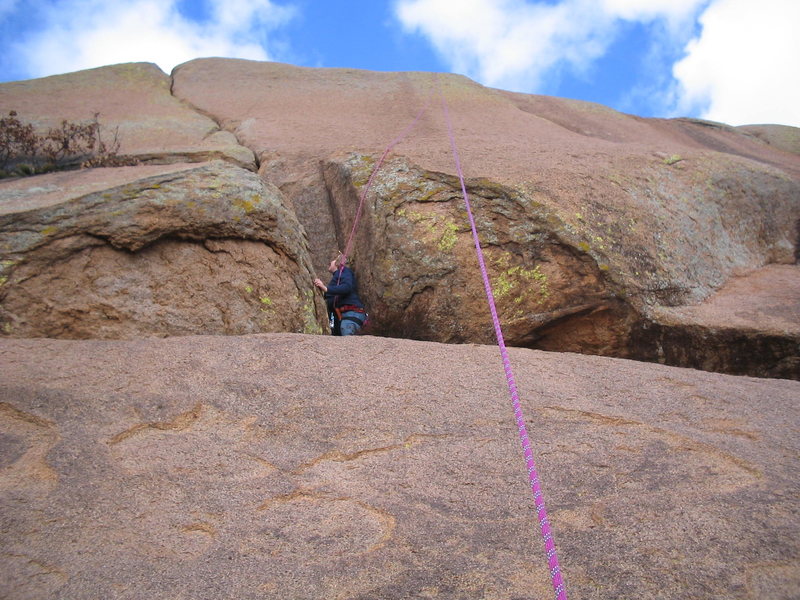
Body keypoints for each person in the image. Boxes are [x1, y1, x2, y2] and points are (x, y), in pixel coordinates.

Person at [313, 253, 367, 336]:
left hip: (351, 313)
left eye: (332, 260)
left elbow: (347, 287)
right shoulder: (336, 278)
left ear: (337, 262)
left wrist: (326, 288)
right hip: (343, 316)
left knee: (346, 338)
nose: (330, 262)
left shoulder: (344, 271)